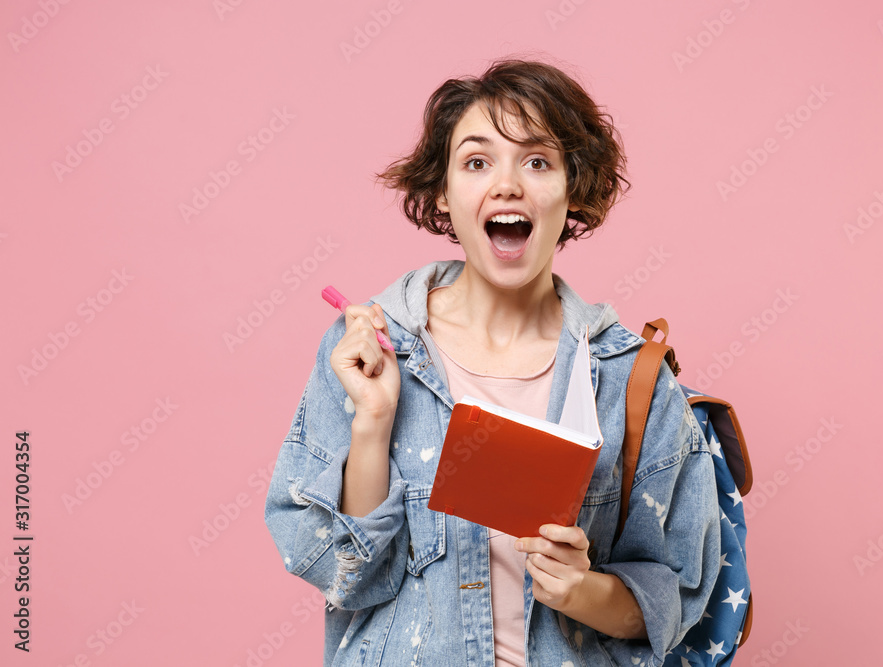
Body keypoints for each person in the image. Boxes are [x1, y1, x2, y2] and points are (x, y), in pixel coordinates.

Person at [264, 56, 721, 666]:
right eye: (477, 162)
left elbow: (676, 596)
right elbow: (344, 576)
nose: (507, 184)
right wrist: (372, 423)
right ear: (444, 196)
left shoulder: (629, 376)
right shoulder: (369, 349)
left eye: (537, 161)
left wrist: (581, 590)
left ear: (572, 192)